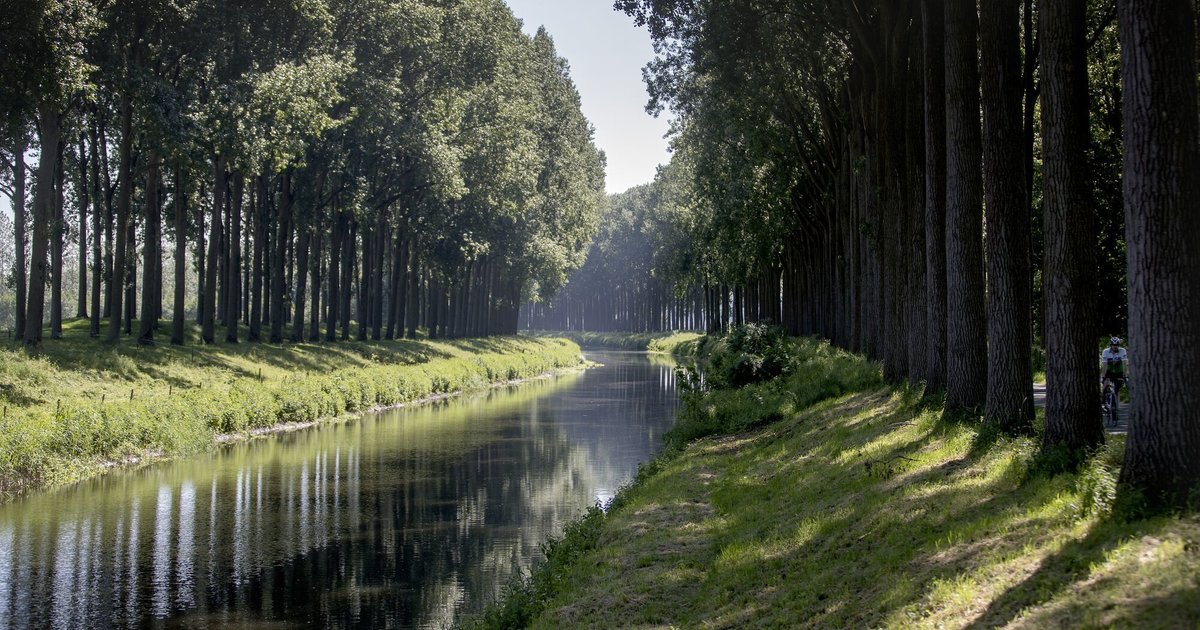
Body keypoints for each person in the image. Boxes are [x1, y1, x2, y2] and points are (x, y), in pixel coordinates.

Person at [1100, 335, 1129, 402]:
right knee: (1105, 385)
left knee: (1117, 389)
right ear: (1110, 345)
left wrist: (1125, 375)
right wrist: (1103, 376)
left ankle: (1116, 404)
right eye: (1113, 344)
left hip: (1119, 371)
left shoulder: (1122, 350)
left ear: (1118, 345)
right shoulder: (1105, 351)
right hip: (1109, 371)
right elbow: (1104, 365)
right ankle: (1103, 401)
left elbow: (1125, 364)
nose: (1115, 346)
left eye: (1116, 344)